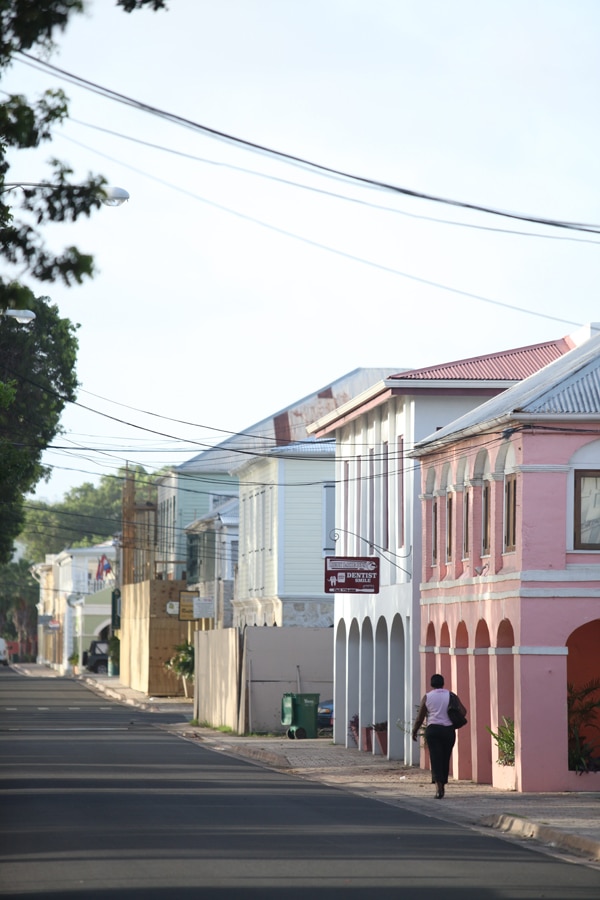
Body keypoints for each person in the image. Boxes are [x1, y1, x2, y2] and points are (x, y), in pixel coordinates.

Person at [411, 673, 467, 799]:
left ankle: (438, 785)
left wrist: (414, 730)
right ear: (443, 683)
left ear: (431, 684)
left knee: (435, 758)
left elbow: (420, 717)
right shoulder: (451, 695)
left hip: (433, 730)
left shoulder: (427, 697)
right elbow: (463, 711)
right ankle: (443, 782)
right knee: (445, 757)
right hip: (448, 730)